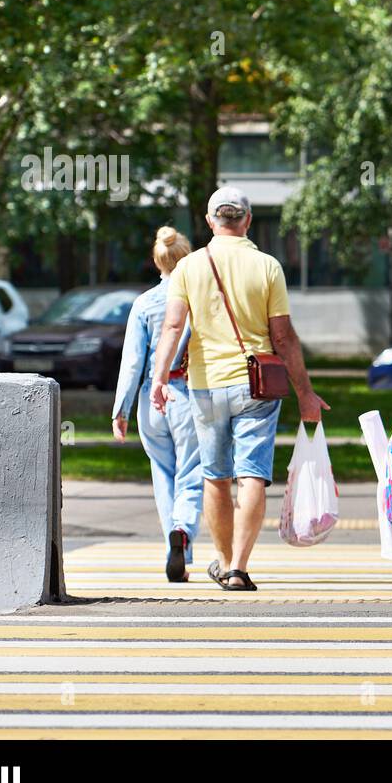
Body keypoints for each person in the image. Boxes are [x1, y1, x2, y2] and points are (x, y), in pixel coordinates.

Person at [150, 188, 329, 591]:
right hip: (257, 386)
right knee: (252, 475)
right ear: (247, 220)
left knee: (214, 476)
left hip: (206, 386)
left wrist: (159, 379)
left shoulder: (188, 268)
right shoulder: (267, 266)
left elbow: (173, 328)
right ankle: (239, 568)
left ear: (211, 221)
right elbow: (282, 337)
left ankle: (223, 558)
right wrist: (305, 393)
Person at [112, 227, 203, 582]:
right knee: (191, 472)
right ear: (188, 259)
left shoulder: (143, 303)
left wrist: (120, 410)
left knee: (163, 474)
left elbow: (132, 361)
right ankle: (183, 529)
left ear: (157, 261)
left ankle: (173, 545)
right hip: (188, 393)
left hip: (152, 399)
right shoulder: (196, 300)